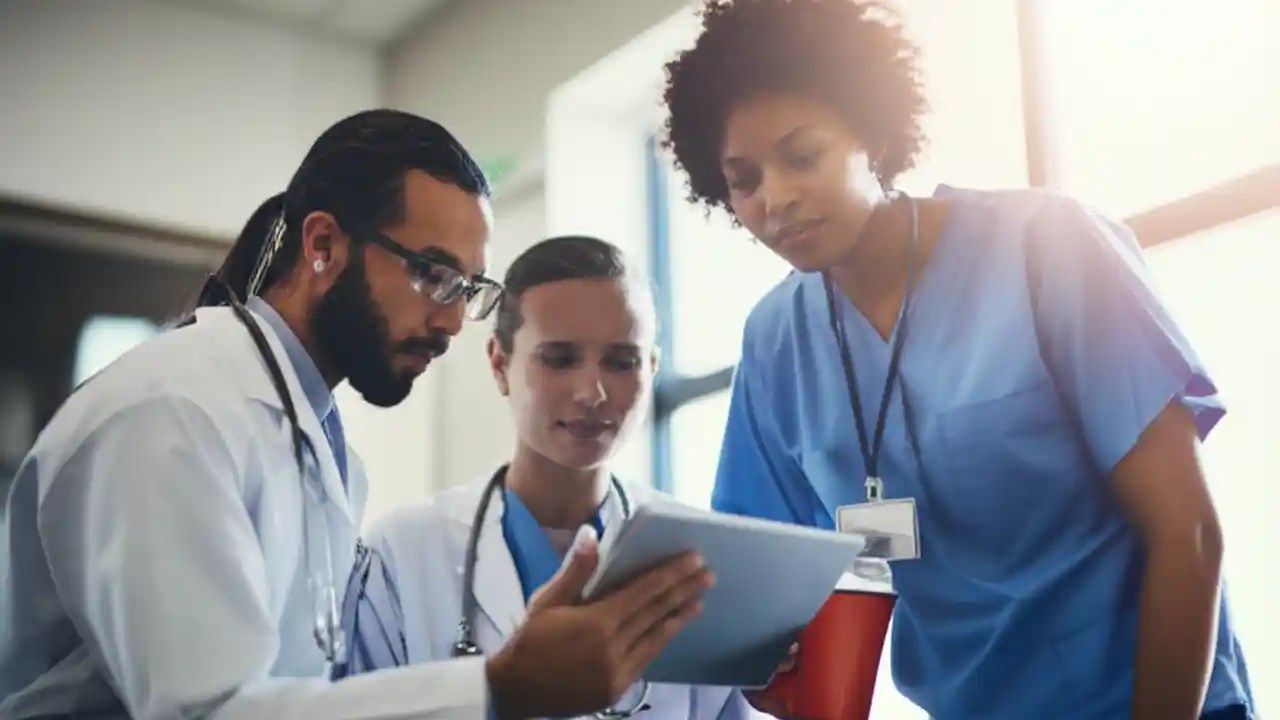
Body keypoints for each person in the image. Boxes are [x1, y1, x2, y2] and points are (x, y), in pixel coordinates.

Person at [0, 110, 711, 719]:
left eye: (469, 289)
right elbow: (209, 710)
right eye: (434, 276)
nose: (454, 320)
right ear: (323, 246)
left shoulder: (317, 448)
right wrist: (502, 686)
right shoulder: (171, 415)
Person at [660, 1, 1255, 718]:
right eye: (744, 180)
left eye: (803, 155)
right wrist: (758, 655)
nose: (776, 198)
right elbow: (764, 611)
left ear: (870, 131)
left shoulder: (1047, 247)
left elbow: (1187, 532)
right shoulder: (775, 342)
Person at [335, 235, 752, 719]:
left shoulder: (696, 558)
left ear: (652, 369)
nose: (592, 392)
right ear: (499, 363)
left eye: (622, 361)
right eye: (559, 359)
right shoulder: (404, 555)